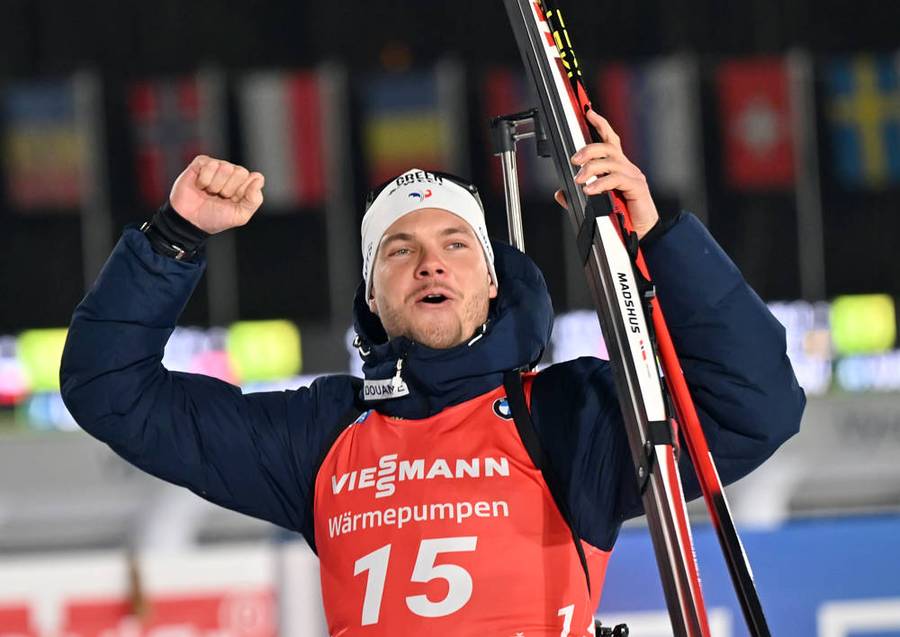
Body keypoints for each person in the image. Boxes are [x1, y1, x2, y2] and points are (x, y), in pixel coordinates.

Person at [60, 110, 805, 636]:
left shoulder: (571, 417)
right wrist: (175, 235)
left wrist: (655, 236)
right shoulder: (322, 434)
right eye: (398, 250)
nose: (429, 262)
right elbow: (111, 391)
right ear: (373, 297)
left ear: (490, 281)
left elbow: (755, 404)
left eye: (455, 244)